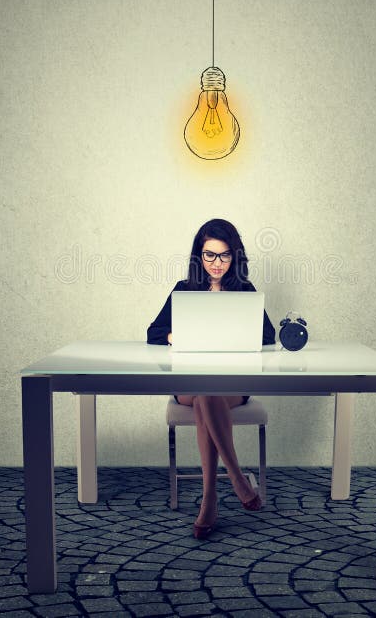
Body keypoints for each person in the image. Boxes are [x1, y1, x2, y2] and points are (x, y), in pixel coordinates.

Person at [147, 218, 276, 538]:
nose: (216, 263)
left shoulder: (244, 291)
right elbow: (154, 333)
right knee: (203, 390)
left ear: (235, 257)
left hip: (230, 385)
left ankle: (209, 499)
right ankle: (236, 478)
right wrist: (174, 336)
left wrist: (240, 336)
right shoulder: (184, 290)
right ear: (198, 256)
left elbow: (269, 335)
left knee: (208, 394)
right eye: (209, 255)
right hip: (188, 384)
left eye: (224, 256)